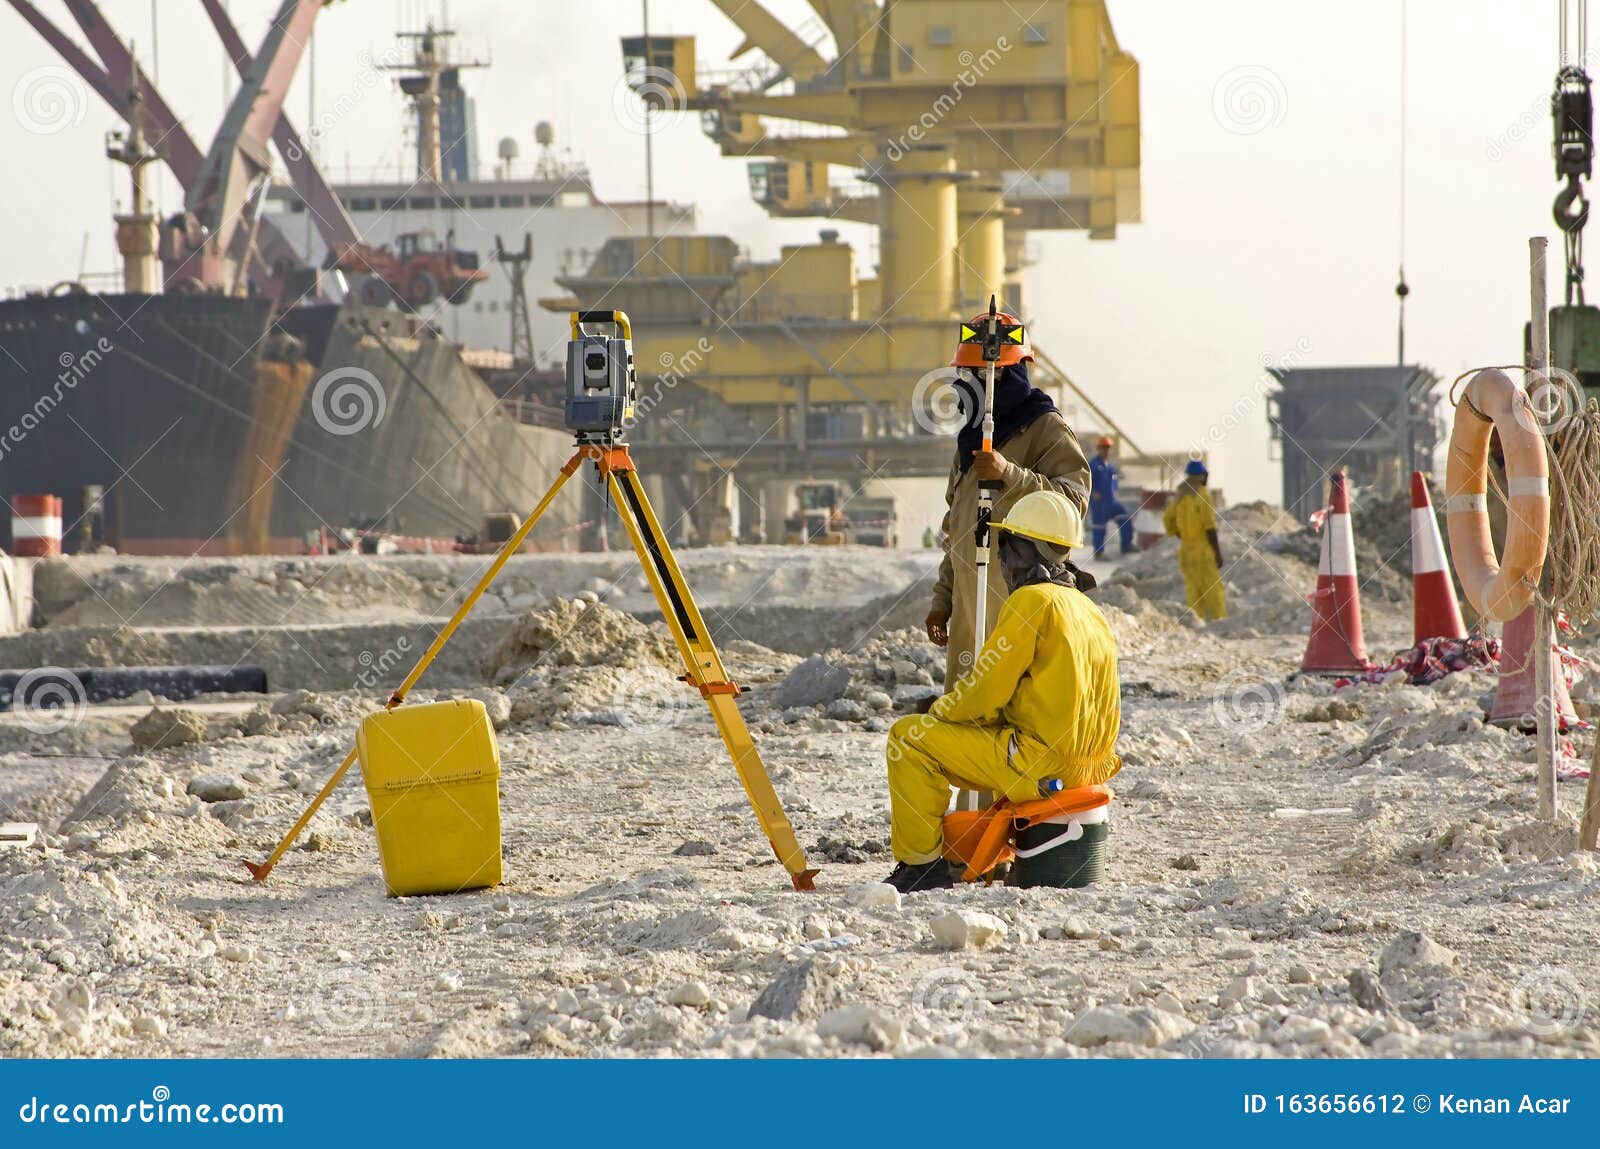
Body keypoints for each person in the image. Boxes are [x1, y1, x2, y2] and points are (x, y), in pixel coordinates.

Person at [885, 490, 1122, 893]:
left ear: (1030, 551)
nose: (1004, 561)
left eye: (1009, 548)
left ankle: (921, 868)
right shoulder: (1088, 610)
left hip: (1039, 763)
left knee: (908, 739)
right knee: (981, 740)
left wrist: (937, 712)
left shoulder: (1032, 601)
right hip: (1089, 766)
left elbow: (984, 693)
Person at [925, 313, 1090, 690]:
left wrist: (1009, 474)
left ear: (1012, 375)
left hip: (1021, 605)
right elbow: (958, 528)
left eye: (989, 375)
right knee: (969, 716)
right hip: (970, 616)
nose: (978, 384)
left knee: (1015, 706)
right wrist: (943, 598)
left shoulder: (1046, 428)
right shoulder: (969, 442)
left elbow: (1073, 502)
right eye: (970, 374)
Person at [1163, 459, 1228, 622]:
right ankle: (1219, 622)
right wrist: (1218, 553)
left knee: (1193, 592)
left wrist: (1178, 533)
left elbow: (1167, 518)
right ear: (1201, 476)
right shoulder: (1203, 494)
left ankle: (1197, 622)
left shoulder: (1180, 494)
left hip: (1186, 552)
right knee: (1214, 592)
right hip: (1203, 552)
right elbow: (1210, 527)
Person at [1088, 435, 1135, 558]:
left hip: (1111, 501)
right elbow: (1085, 481)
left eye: (1108, 448)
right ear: (1098, 448)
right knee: (1099, 527)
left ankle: (1126, 546)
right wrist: (1092, 492)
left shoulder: (1111, 466)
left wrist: (1115, 492)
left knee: (1124, 517)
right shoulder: (1093, 465)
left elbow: (1114, 483)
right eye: (1103, 448)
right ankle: (1099, 553)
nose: (1106, 450)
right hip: (1099, 503)